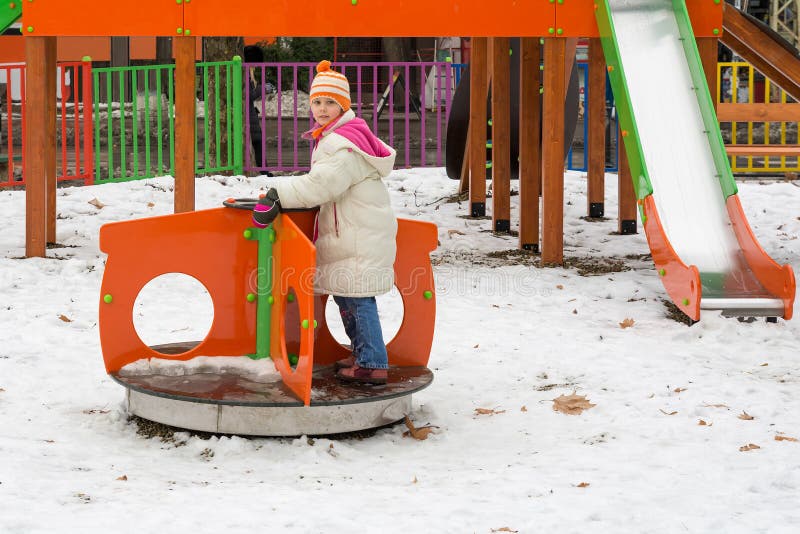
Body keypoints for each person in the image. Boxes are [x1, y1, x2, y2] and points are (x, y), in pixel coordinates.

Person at [252, 60, 397, 385]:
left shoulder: (343, 145)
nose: (321, 108)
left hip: (359, 236)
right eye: (316, 101)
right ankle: (362, 353)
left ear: (343, 106)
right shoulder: (338, 136)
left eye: (330, 102)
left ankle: (373, 363)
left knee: (358, 299)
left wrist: (278, 193)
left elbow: (321, 185)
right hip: (355, 231)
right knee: (348, 296)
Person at [243, 45, 272, 175]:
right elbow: (248, 95)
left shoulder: (246, 72)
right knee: (258, 143)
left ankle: (264, 172)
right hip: (249, 115)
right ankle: (264, 172)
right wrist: (263, 89)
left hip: (250, 113)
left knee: (258, 143)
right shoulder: (245, 73)